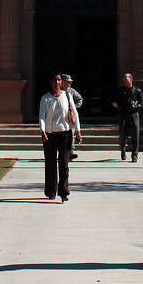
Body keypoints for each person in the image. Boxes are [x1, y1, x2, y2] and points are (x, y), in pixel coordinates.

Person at [39, 73, 81, 202]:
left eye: (59, 80)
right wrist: (43, 131)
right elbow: (41, 116)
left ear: (61, 82)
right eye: (55, 80)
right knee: (50, 163)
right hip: (50, 134)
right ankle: (51, 191)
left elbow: (74, 113)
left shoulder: (67, 96)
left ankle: (64, 191)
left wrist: (78, 131)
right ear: (51, 82)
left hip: (65, 133)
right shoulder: (45, 98)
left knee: (64, 163)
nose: (57, 82)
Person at [111, 72, 143, 161]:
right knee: (123, 135)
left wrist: (138, 106)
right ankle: (123, 150)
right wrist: (115, 104)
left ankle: (134, 155)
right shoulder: (120, 90)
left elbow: (142, 102)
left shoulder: (137, 90)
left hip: (134, 115)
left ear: (131, 79)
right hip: (123, 114)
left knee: (135, 135)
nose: (125, 82)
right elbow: (115, 100)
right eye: (124, 80)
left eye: (126, 80)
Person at [61, 74, 83, 160]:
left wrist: (73, 106)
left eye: (70, 82)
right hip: (61, 116)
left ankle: (70, 151)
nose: (69, 84)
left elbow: (80, 99)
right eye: (67, 82)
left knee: (71, 133)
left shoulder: (72, 91)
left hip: (70, 115)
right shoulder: (58, 91)